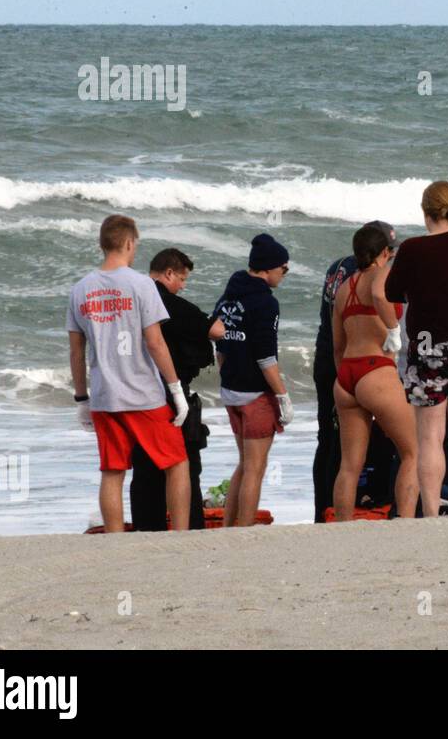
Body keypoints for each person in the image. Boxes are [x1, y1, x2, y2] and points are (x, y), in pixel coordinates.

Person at [67, 214, 191, 532]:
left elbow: (77, 353)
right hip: (143, 395)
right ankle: (179, 535)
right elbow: (155, 343)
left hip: (105, 397)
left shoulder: (80, 290)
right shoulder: (140, 285)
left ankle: (115, 540)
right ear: (128, 242)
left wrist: (82, 398)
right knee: (177, 463)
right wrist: (176, 390)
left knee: (112, 470)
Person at [384, 181, 448, 516]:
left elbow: (392, 292)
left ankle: (430, 512)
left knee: (429, 438)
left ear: (426, 212)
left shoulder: (412, 249)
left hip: (426, 347)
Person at [130, 248, 224, 531]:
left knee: (145, 468)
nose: (183, 286)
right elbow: (216, 330)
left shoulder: (133, 299)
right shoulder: (167, 302)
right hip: (170, 393)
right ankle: (189, 527)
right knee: (184, 464)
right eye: (182, 279)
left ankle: (147, 528)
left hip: (133, 391)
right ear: (168, 273)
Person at [311, 221, 398, 522]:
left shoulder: (339, 275)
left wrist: (343, 376)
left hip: (337, 367)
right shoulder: (377, 278)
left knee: (338, 451)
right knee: (408, 448)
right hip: (368, 364)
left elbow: (336, 337)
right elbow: (379, 312)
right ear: (382, 251)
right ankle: (400, 512)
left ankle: (330, 516)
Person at [332, 225, 419, 520]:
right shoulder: (383, 272)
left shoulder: (343, 288)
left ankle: (342, 526)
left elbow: (337, 345)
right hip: (375, 369)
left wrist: (344, 379)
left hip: (346, 377)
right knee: (413, 452)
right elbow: (380, 296)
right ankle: (406, 522)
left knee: (349, 465)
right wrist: (394, 332)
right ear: (384, 253)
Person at [213, 233, 293, 527]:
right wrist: (283, 397)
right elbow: (266, 358)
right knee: (256, 468)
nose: (284, 275)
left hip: (230, 390)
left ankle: (228, 526)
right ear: (269, 268)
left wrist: (227, 373)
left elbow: (218, 340)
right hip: (255, 394)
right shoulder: (265, 303)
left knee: (244, 464)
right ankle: (244, 530)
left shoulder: (229, 295)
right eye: (283, 269)